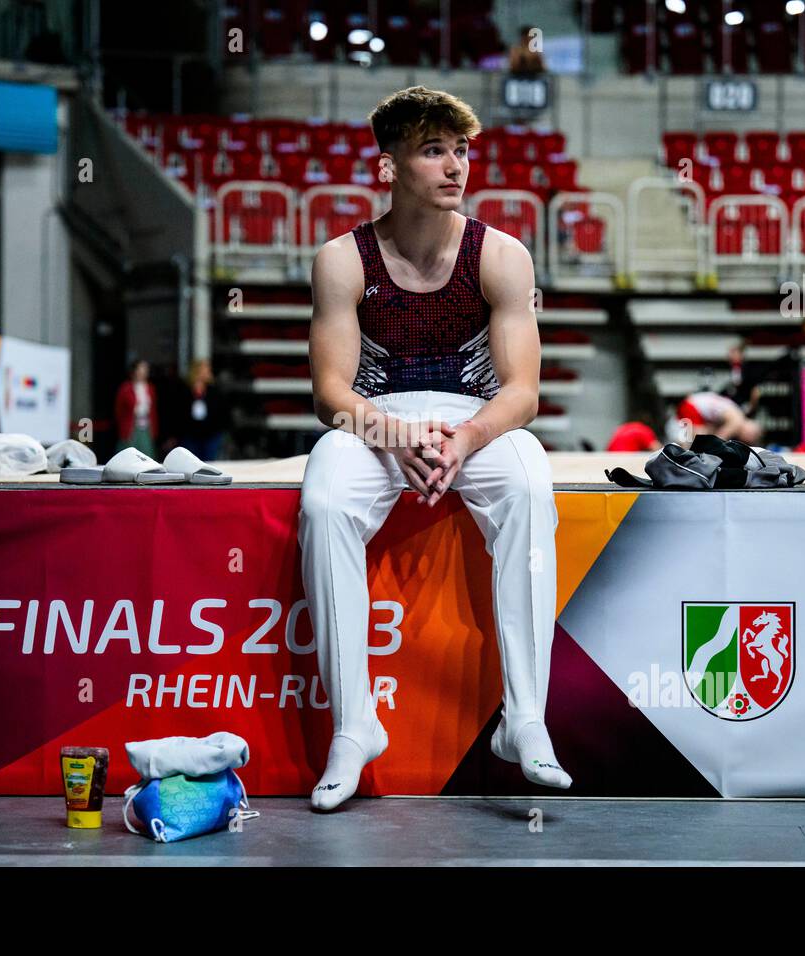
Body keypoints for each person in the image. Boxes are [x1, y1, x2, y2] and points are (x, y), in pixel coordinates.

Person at [300, 85, 570, 812]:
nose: (455, 167)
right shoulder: (343, 259)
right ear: (387, 166)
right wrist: (393, 436)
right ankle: (355, 728)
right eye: (433, 151)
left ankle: (526, 718)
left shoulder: (502, 255)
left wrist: (466, 438)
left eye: (461, 151)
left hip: (474, 420)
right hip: (374, 421)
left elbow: (523, 393)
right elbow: (331, 395)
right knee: (323, 501)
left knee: (529, 488)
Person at [162, 358, 227, 461]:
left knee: (209, 464)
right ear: (197, 371)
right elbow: (176, 413)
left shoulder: (214, 391)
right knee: (191, 462)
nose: (208, 371)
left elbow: (221, 413)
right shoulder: (183, 390)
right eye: (205, 368)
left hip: (210, 435)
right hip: (190, 435)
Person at [676, 391, 763, 445]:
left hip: (694, 404)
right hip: (692, 407)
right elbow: (717, 442)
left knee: (698, 438)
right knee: (694, 442)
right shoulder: (736, 422)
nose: (745, 441)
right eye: (748, 440)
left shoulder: (738, 414)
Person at [114, 359, 158, 457]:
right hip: (130, 427)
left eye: (145, 369)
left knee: (147, 455)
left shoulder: (150, 388)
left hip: (146, 426)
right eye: (141, 369)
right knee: (129, 455)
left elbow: (153, 410)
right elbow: (119, 410)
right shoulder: (126, 388)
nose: (143, 372)